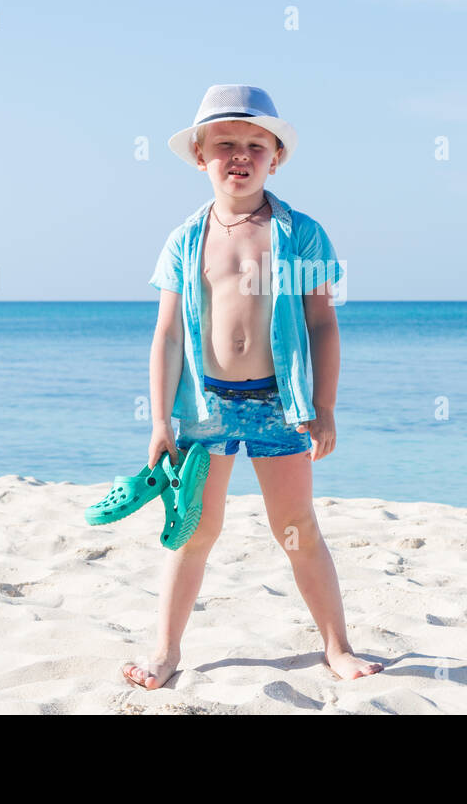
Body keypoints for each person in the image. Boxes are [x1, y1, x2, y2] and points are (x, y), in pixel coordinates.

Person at [123, 84, 383, 689]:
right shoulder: (186, 239)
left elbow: (321, 322)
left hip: (279, 405)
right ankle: (165, 651)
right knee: (193, 530)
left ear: (276, 157)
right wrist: (161, 420)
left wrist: (325, 407)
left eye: (253, 145)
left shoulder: (301, 234)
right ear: (199, 155)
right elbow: (165, 336)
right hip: (205, 407)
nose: (239, 155)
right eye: (224, 145)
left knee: (296, 528)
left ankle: (337, 647)